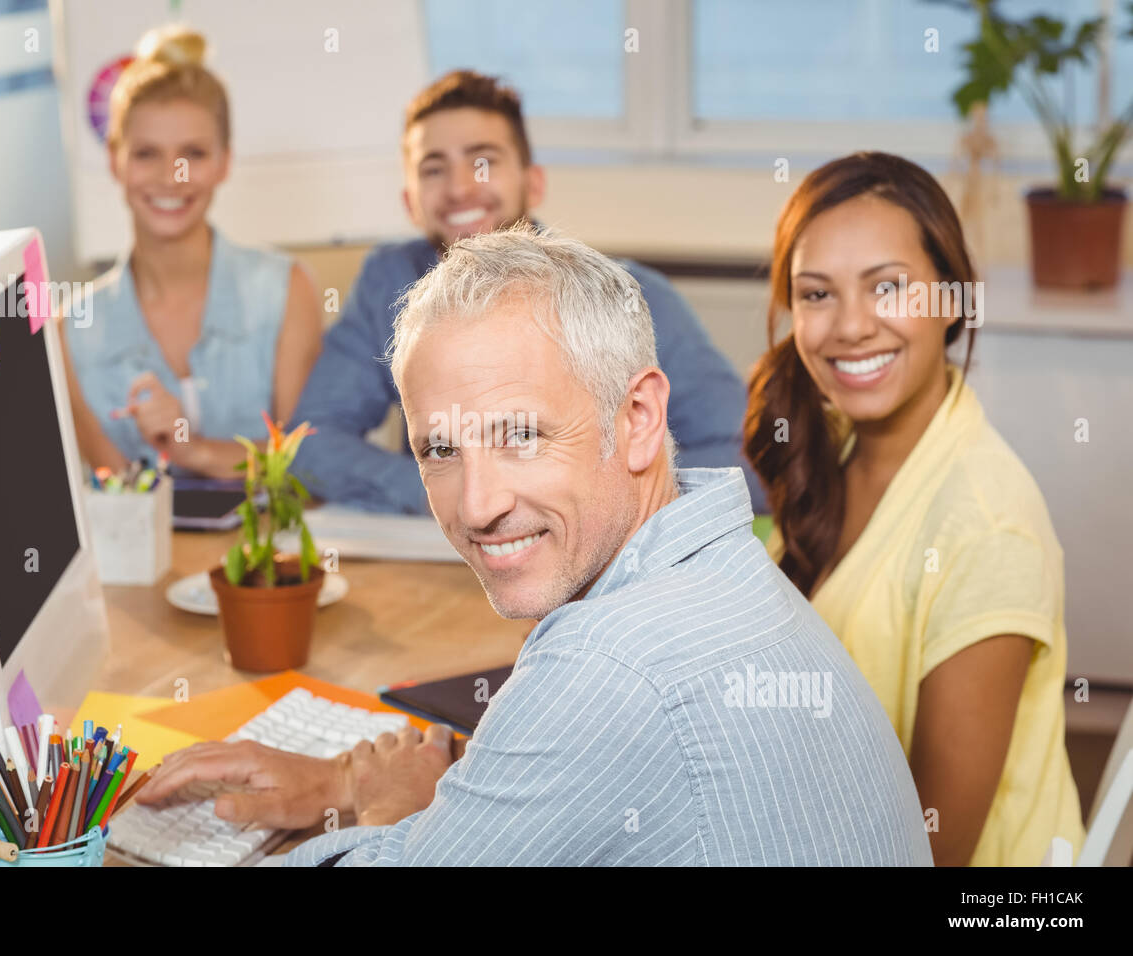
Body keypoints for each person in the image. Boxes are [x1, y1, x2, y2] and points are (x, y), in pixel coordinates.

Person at [137, 224, 931, 866]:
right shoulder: (714, 565)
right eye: (438, 450)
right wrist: (341, 778)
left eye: (520, 435)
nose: (478, 506)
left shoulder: (612, 663)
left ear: (639, 419)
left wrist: (383, 809)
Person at [743, 152, 1085, 866]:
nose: (851, 327)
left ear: (953, 299)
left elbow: (931, 851)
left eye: (888, 288)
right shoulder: (831, 445)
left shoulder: (988, 530)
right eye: (817, 294)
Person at [286, 70, 762, 514]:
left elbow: (746, 462)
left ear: (532, 183)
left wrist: (581, 501)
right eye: (433, 169)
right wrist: (451, 495)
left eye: (482, 162)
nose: (458, 188)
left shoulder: (634, 296)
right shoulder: (387, 279)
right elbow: (309, 441)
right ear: (410, 203)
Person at [61, 26, 323, 477]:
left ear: (224, 161)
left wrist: (194, 450)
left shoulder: (285, 290)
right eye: (146, 154)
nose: (171, 176)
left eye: (194, 154)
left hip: (269, 549)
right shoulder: (71, 332)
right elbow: (122, 501)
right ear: (114, 161)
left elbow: (309, 465)